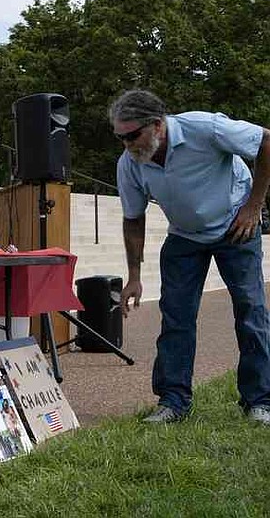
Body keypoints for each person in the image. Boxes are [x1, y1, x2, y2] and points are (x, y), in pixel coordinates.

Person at [110, 89, 270, 425]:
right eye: (120, 138)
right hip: (184, 237)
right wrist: (134, 276)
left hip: (235, 226)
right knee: (176, 319)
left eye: (133, 136)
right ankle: (173, 403)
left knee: (251, 311)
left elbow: (265, 141)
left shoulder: (206, 128)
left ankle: (260, 401)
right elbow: (133, 219)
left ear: (157, 125)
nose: (127, 145)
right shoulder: (130, 164)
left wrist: (254, 206)